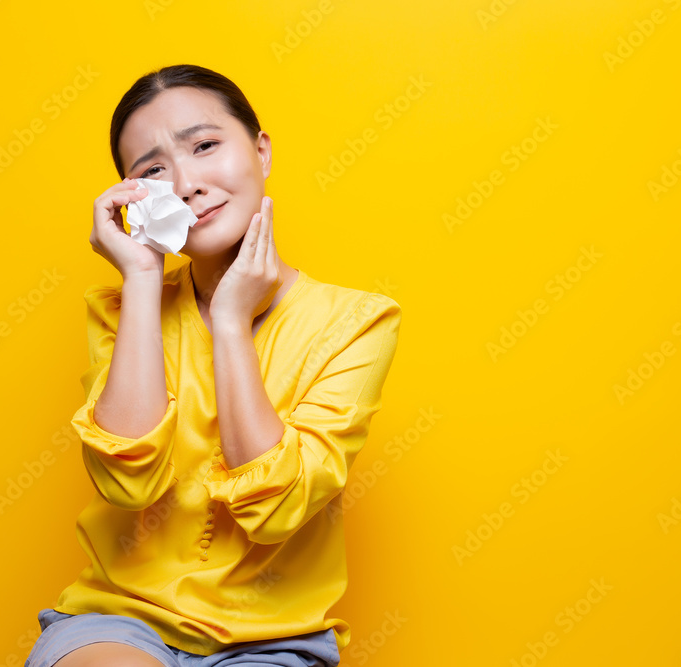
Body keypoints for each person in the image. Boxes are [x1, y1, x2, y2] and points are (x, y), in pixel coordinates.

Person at [25, 64, 402, 667]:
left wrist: (230, 324)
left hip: (274, 638)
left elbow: (276, 512)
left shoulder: (358, 321)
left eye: (205, 146)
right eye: (153, 170)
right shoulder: (122, 310)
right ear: (133, 199)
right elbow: (128, 483)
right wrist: (143, 275)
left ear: (261, 151)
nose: (187, 183)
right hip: (123, 619)